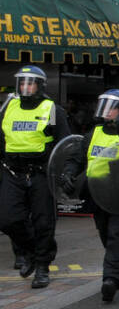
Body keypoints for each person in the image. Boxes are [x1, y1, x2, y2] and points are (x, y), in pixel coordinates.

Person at [62, 89, 119, 303]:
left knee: (117, 235)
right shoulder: (93, 134)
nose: (106, 112)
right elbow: (77, 158)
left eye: (112, 108)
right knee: (107, 235)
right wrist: (69, 172)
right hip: (98, 195)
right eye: (104, 106)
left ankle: (111, 279)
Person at [0, 66, 73, 288]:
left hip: (41, 172)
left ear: (40, 86)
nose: (25, 87)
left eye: (30, 83)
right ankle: (31, 252)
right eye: (22, 83)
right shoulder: (9, 106)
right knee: (8, 219)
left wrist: (65, 171)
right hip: (12, 171)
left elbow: (65, 143)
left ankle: (42, 266)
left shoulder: (51, 109)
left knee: (43, 222)